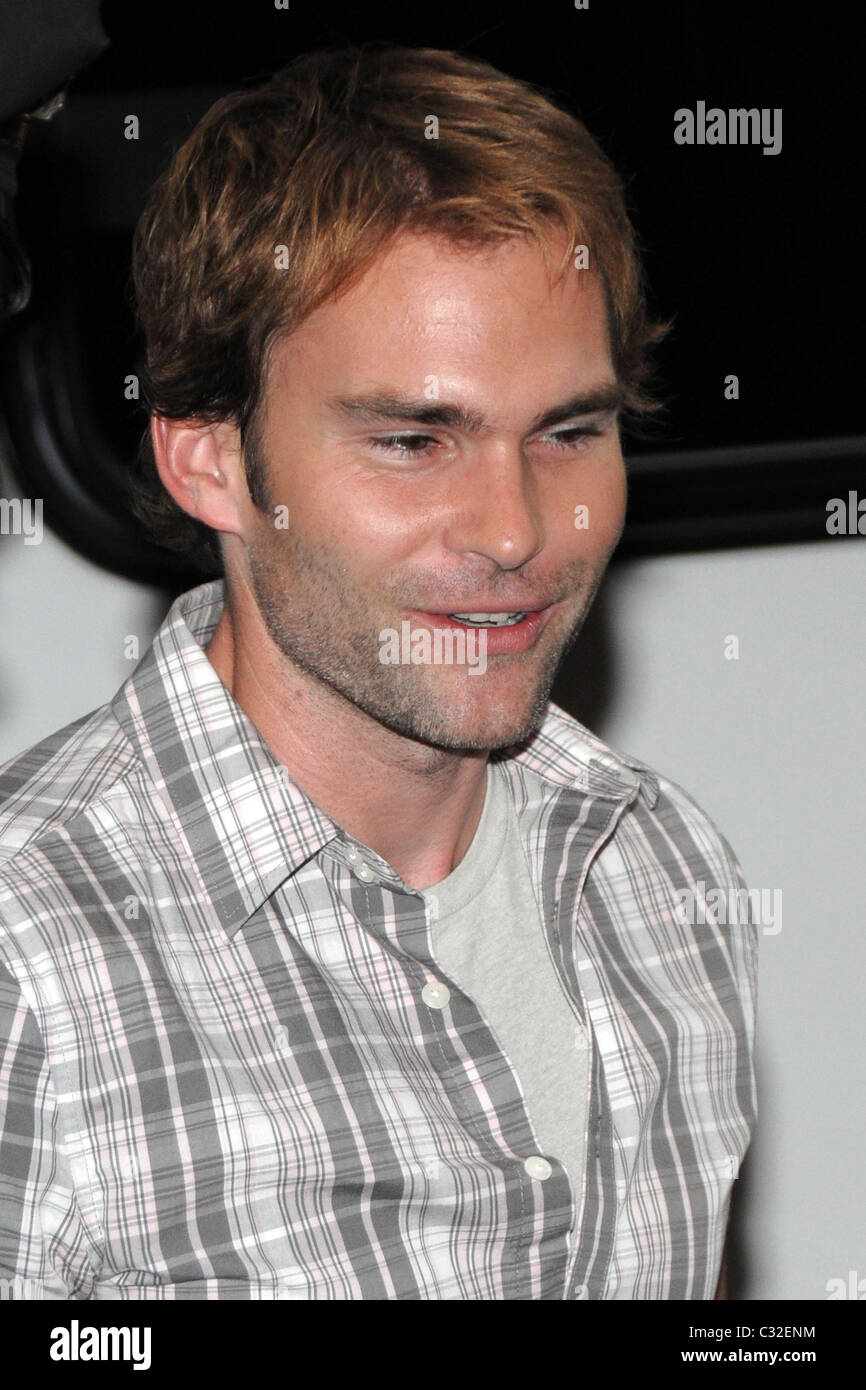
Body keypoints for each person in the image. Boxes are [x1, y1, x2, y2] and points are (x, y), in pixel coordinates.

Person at [0, 44, 757, 1300]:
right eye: (413, 440)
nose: (514, 530)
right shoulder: (30, 961)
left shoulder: (657, 866)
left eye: (568, 432)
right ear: (211, 464)